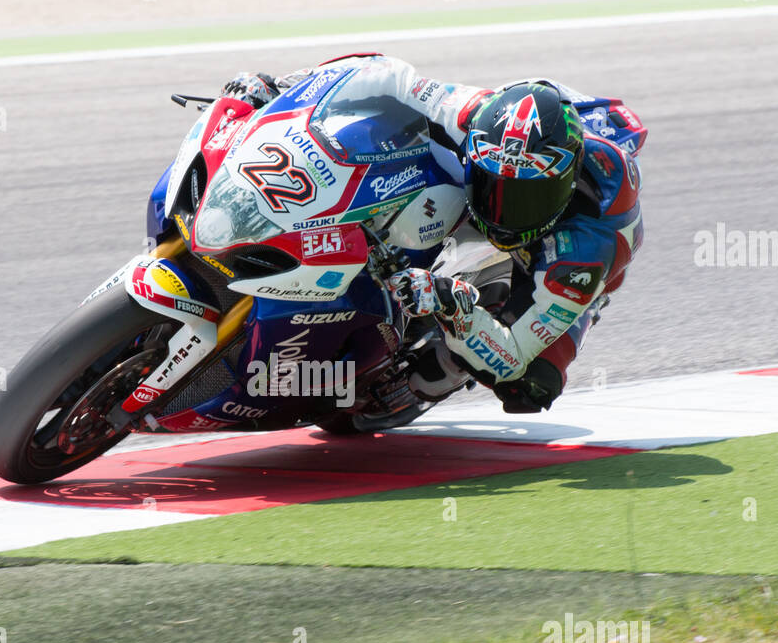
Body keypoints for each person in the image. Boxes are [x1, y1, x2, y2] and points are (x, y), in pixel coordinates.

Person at [220, 54, 644, 413]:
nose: (505, 210)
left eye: (525, 196)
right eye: (495, 186)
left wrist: (457, 311)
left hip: (565, 252)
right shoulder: (471, 113)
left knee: (529, 386)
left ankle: (407, 392)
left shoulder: (587, 249)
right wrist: (280, 89)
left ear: (563, 185)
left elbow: (513, 355)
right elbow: (388, 75)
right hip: (520, 134)